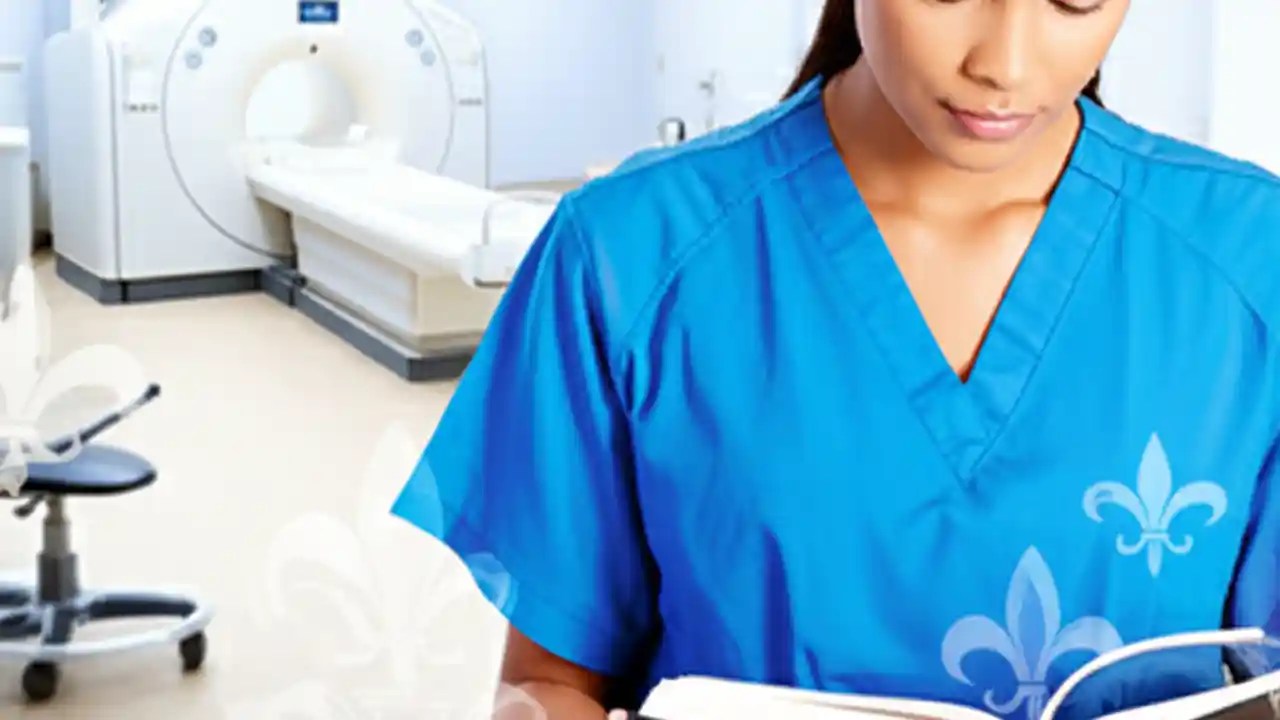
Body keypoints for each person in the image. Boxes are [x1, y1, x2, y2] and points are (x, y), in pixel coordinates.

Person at [391, 0, 1280, 717]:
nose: (1006, 64)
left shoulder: (1252, 260)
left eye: (1075, 0)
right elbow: (548, 682)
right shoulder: (628, 255)